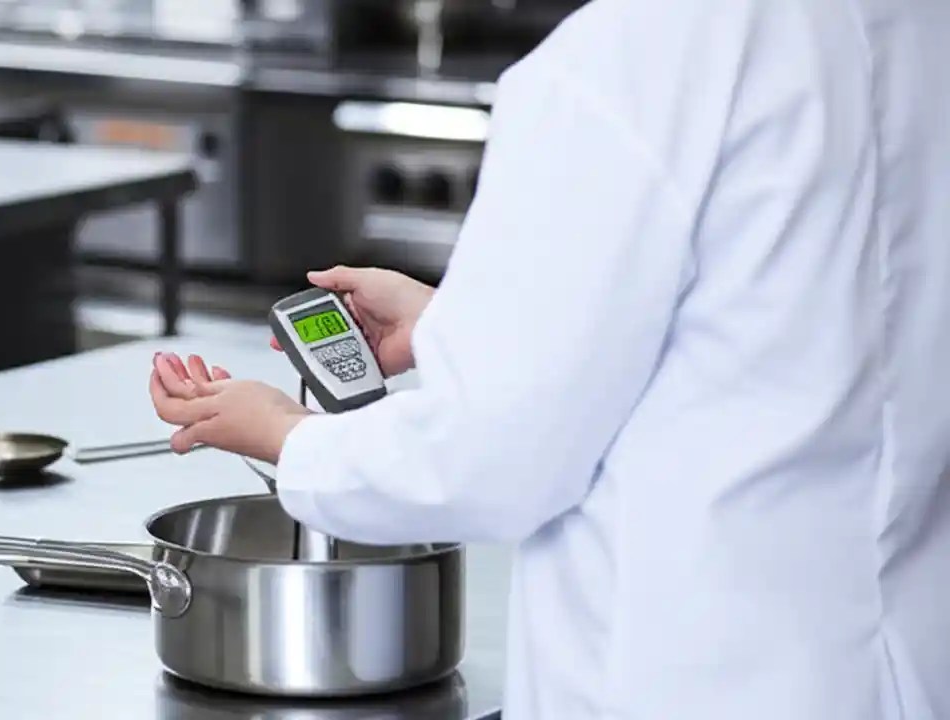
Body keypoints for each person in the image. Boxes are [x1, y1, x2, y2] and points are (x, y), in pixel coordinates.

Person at [148, 0, 950, 717]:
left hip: (685, 681)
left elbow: (485, 460)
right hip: (903, 671)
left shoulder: (626, 59)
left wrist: (289, 436)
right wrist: (463, 327)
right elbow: (791, 328)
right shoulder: (919, 28)